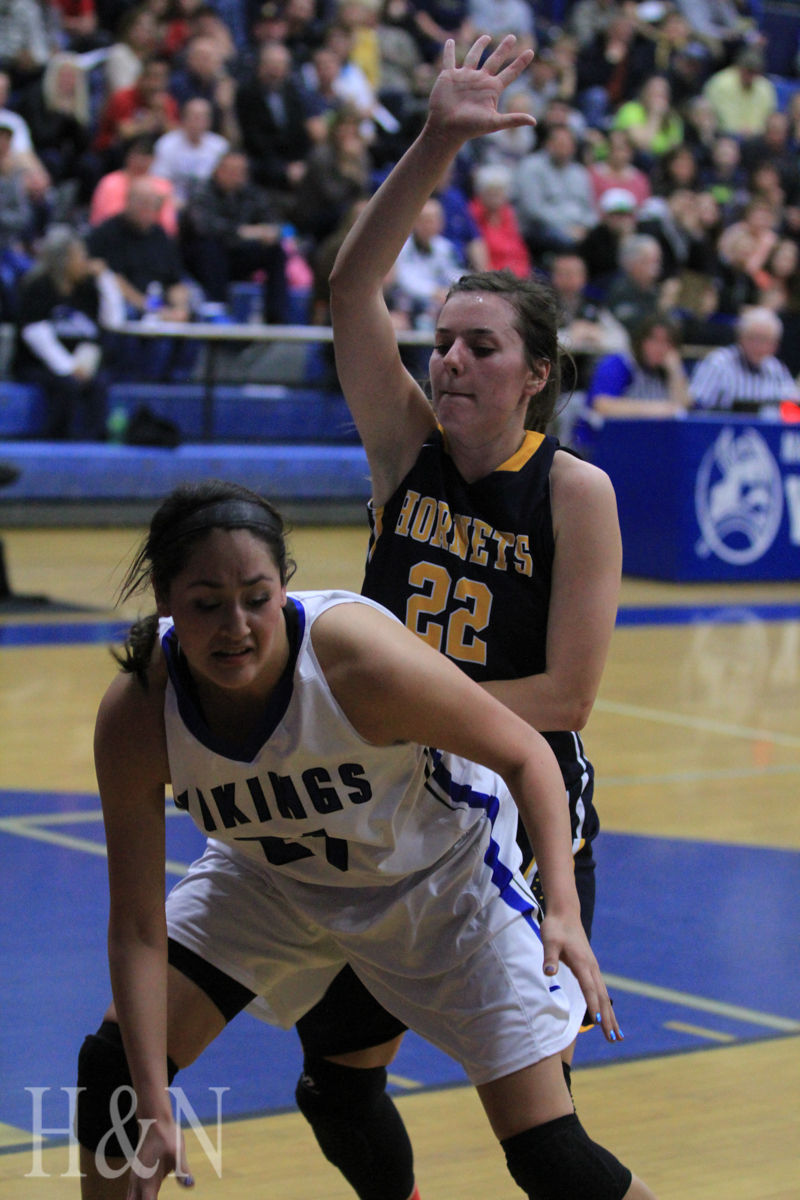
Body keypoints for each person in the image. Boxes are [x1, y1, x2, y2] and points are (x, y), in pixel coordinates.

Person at [75, 476, 649, 1200]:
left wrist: (561, 906)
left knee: (550, 1159)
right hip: (271, 877)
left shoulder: (354, 658)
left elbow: (529, 754)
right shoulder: (137, 713)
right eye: (206, 604)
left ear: (283, 588)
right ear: (164, 599)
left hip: (438, 880)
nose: (237, 627)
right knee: (116, 1080)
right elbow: (135, 925)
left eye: (257, 599)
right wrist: (154, 1097)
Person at [310, 34, 647, 1200]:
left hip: (517, 806)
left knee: (545, 1150)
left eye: (477, 346)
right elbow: (352, 288)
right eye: (441, 340)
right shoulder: (402, 447)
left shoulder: (572, 491)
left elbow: (564, 699)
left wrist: (391, 701)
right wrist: (437, 141)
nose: (447, 359)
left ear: (533, 376)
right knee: (334, 1076)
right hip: (394, 806)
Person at [13, 225, 125, 439]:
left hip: (82, 362)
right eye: (79, 256)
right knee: (67, 386)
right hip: (39, 364)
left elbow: (114, 321)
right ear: (63, 259)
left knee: (101, 382)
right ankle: (56, 440)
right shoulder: (38, 286)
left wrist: (106, 279)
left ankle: (94, 442)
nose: (85, 261)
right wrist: (69, 367)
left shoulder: (88, 287)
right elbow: (35, 334)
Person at [180, 149, 288, 323]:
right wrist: (242, 232)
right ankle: (216, 310)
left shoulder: (251, 194)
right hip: (201, 259)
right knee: (210, 247)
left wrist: (270, 232)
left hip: (237, 254)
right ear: (218, 170)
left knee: (275, 250)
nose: (235, 176)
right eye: (230, 170)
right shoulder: (202, 191)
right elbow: (203, 226)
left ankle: (276, 317)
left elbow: (273, 222)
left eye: (240, 171)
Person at [572, 313, 691, 458]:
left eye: (667, 342)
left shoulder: (668, 369)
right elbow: (602, 405)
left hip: (646, 446)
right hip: (599, 445)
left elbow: (683, 407)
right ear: (640, 340)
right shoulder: (619, 363)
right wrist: (656, 410)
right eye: (654, 340)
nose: (660, 348)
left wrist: (675, 371)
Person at [689, 304, 800, 411]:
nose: (760, 347)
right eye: (755, 338)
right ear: (740, 337)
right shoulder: (718, 363)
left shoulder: (776, 369)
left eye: (767, 341)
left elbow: (792, 404)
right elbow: (695, 405)